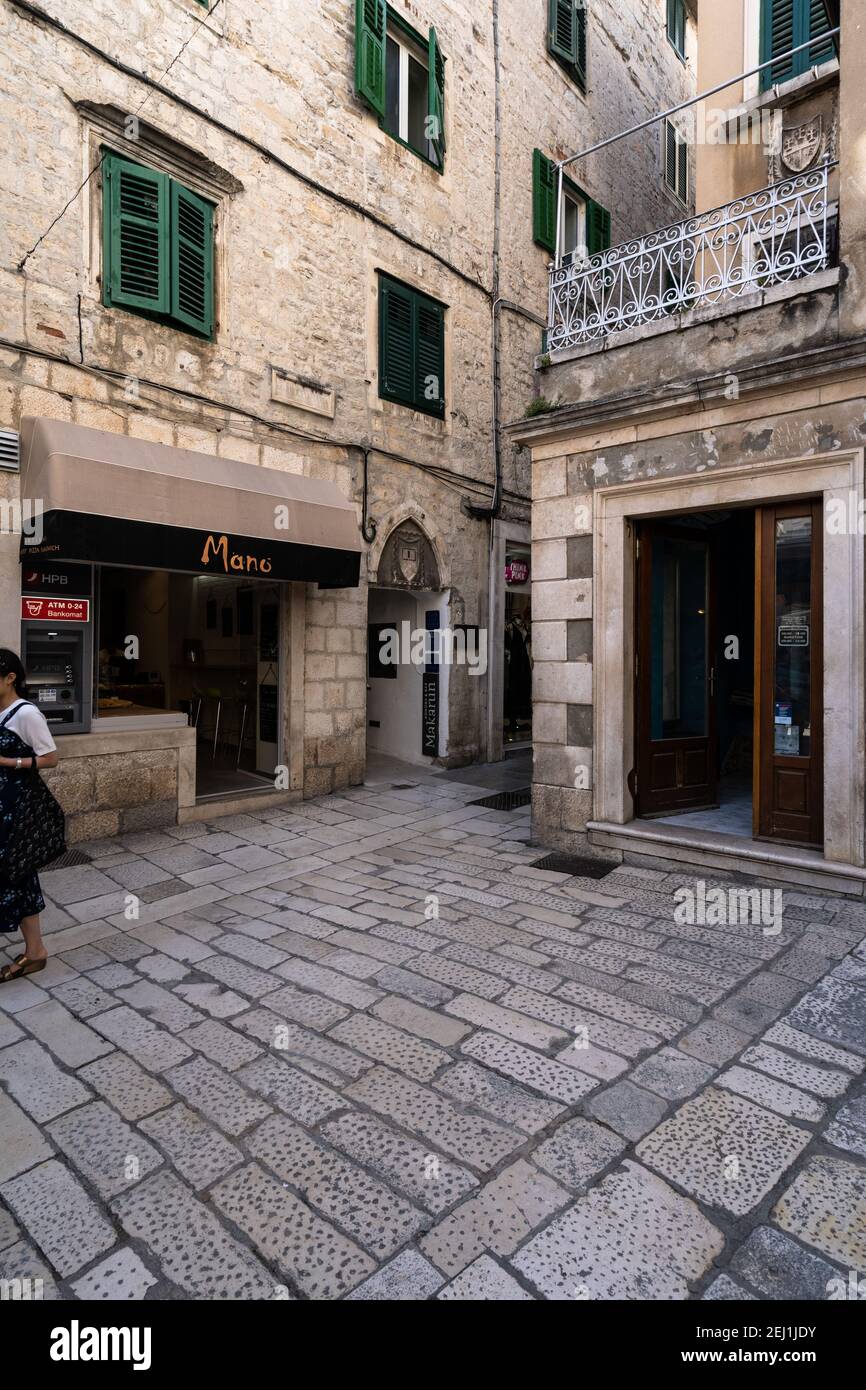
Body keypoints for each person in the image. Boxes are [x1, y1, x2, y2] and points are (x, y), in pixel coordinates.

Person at [0, 650, 59, 982]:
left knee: (16, 874)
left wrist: (9, 762)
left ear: (10, 678)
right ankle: (35, 951)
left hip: (14, 809)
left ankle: (35, 951)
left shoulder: (27, 714)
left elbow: (50, 758)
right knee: (15, 876)